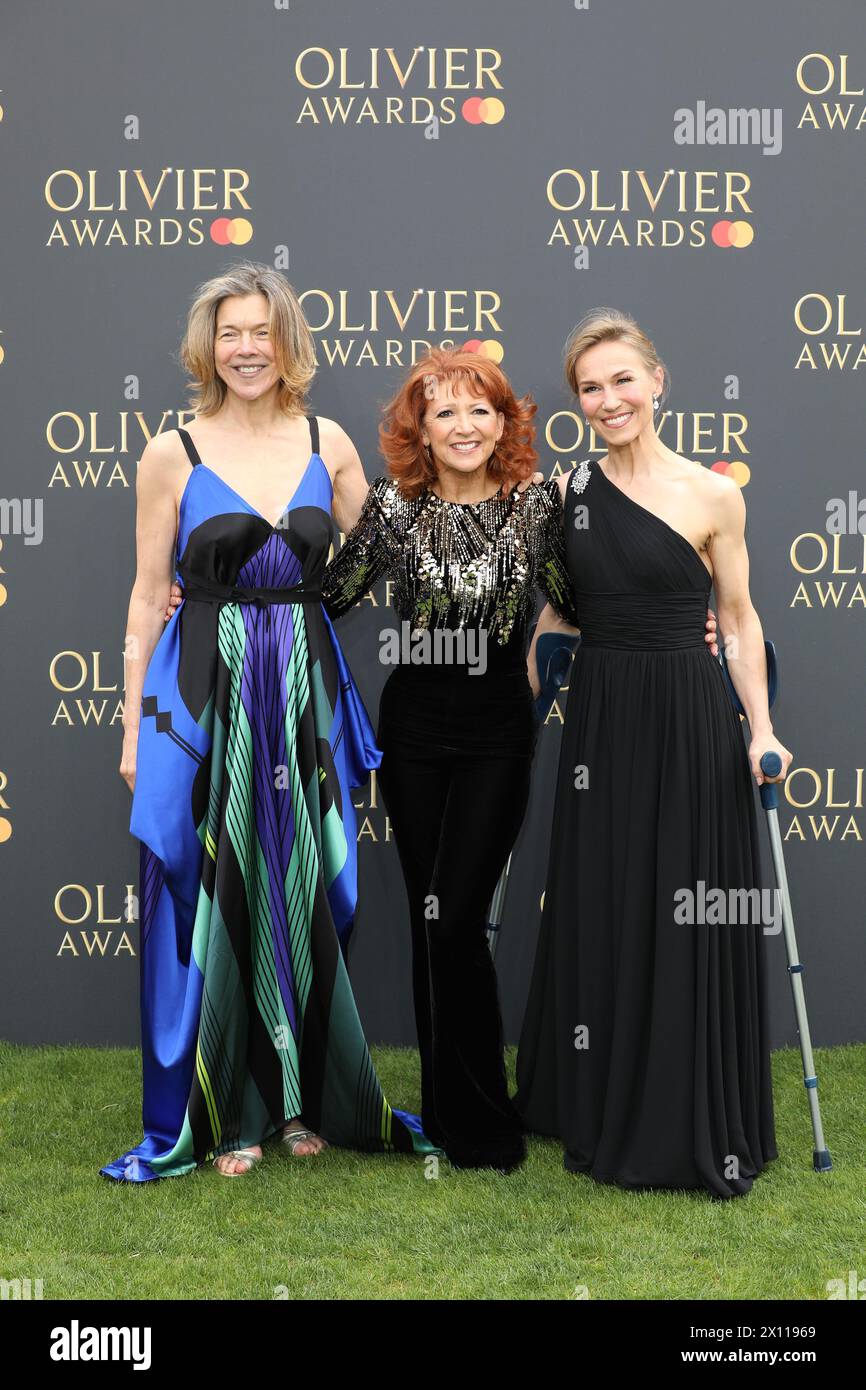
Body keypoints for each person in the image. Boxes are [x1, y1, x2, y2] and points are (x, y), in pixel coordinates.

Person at [102, 261, 435, 1182]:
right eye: (230, 333)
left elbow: (383, 556)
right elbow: (143, 596)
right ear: (207, 346)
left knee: (306, 889)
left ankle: (297, 1099)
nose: (246, 349)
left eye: (262, 332)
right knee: (212, 889)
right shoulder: (173, 449)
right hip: (205, 687)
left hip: (303, 690)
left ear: (290, 343)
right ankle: (222, 1111)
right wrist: (134, 729)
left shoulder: (329, 443)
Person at [515, 308, 791, 1198]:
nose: (608, 400)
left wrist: (761, 729)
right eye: (590, 389)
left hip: (689, 715)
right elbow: (559, 616)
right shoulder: (567, 494)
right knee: (610, 901)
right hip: (602, 719)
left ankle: (686, 1111)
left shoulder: (715, 495)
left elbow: (740, 620)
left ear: (658, 381)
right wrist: (516, 702)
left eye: (622, 380)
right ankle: (601, 1101)